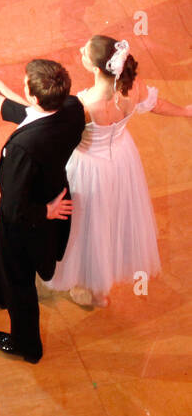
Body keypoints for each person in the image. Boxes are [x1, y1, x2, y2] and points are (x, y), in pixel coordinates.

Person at [39, 38, 187, 306]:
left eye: (85, 51)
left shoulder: (83, 104)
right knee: (108, 220)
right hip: (121, 162)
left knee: (82, 226)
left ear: (96, 69)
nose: (80, 51)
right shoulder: (134, 89)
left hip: (87, 168)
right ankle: (97, 289)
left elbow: (43, 122)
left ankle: (83, 280)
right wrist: (186, 112)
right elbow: (157, 105)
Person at [0, 61, 86, 363]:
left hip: (27, 221)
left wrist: (45, 211)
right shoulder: (72, 109)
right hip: (52, 195)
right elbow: (36, 117)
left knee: (20, 281)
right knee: (7, 264)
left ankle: (27, 344)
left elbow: (13, 206)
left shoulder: (22, 149)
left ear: (32, 95)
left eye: (24, 84)